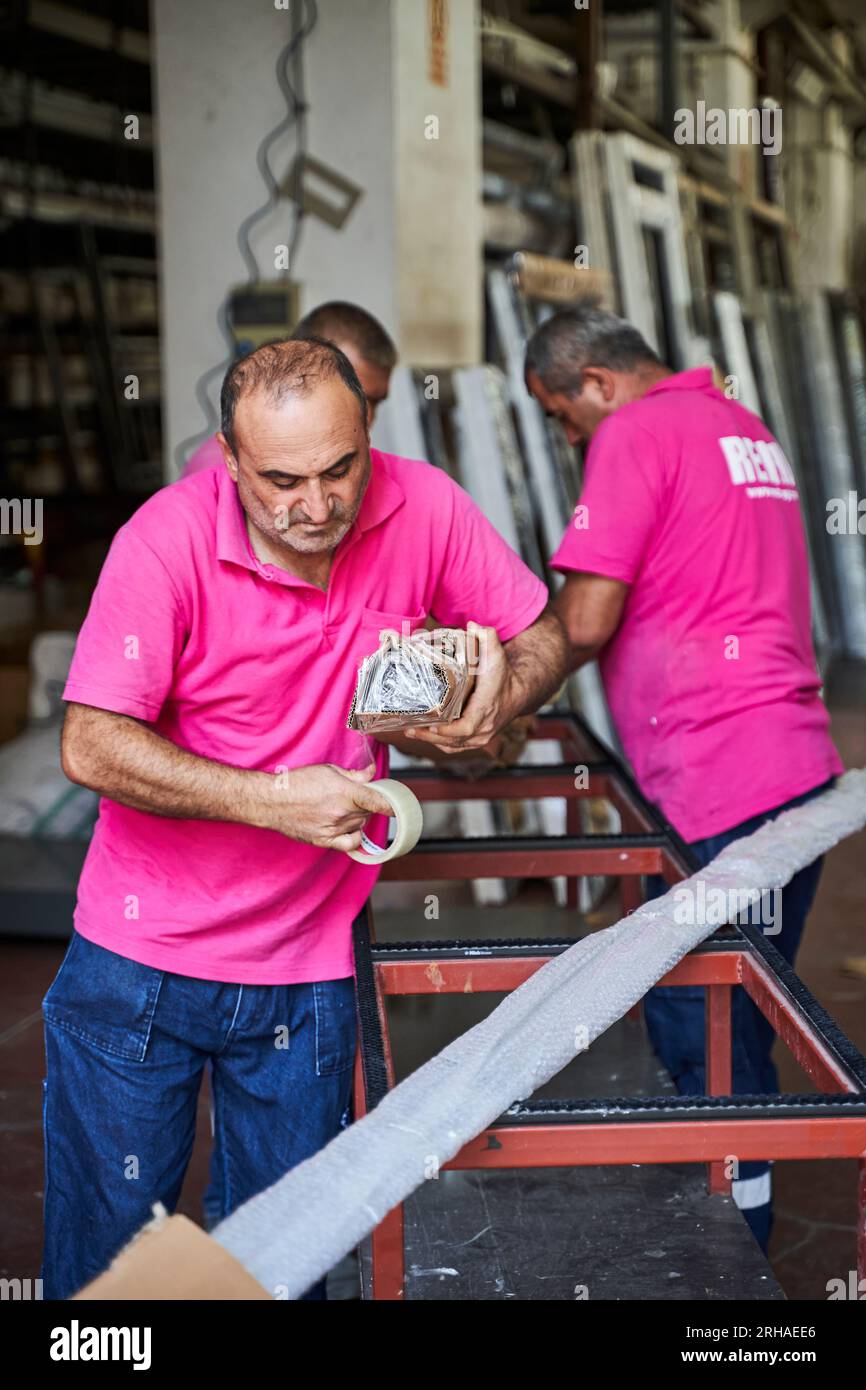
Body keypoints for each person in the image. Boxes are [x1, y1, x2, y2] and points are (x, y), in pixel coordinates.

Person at [42, 338, 567, 1300]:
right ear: (229, 458)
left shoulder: (427, 505)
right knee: (109, 1272)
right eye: (280, 480)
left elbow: (545, 632)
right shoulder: (164, 540)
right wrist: (273, 799)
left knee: (283, 1263)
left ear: (370, 434)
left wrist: (500, 695)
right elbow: (91, 744)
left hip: (307, 967)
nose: (315, 508)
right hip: (141, 961)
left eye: (339, 471)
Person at [522, 302, 844, 1253]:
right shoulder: (747, 430)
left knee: (698, 1013)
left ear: (596, 383)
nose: (568, 435)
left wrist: (491, 690)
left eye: (562, 415)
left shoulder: (632, 431)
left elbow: (584, 619)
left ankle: (723, 1260)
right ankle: (739, 1227)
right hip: (793, 771)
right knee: (738, 1006)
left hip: (718, 777)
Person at [182, 301, 397, 476]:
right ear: (298, 364)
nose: (368, 418)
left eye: (376, 402)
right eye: (356, 396)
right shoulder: (218, 473)